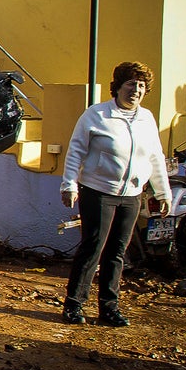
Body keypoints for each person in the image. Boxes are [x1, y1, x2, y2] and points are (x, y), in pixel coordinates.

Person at [59, 61, 171, 326]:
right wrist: (69, 185)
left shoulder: (146, 119)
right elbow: (76, 151)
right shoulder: (96, 115)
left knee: (118, 252)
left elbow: (155, 157)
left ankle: (109, 308)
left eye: (141, 86)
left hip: (131, 194)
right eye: (131, 84)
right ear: (118, 87)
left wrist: (162, 191)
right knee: (93, 248)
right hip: (98, 191)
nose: (136, 90)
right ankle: (74, 305)